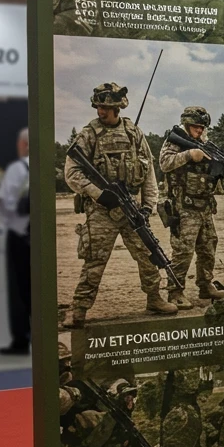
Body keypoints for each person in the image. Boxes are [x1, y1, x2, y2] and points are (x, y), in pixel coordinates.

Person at [63, 83, 177, 328]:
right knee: (95, 260)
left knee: (148, 253)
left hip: (130, 208)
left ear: (117, 108)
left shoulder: (134, 132)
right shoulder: (88, 135)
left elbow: (148, 173)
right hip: (101, 211)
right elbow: (72, 173)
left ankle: (154, 299)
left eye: (105, 107)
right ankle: (79, 310)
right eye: (98, 107)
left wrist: (147, 206)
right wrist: (97, 193)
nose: (100, 111)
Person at [158, 107, 224, 309]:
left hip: (204, 207)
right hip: (184, 206)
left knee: (208, 248)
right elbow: (164, 163)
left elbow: (213, 171)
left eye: (202, 127)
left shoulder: (205, 144)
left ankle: (205, 286)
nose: (199, 130)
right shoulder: (175, 141)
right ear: (187, 125)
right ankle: (175, 292)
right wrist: (189, 154)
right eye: (196, 127)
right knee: (183, 251)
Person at [0, 128, 31, 354]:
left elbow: (3, 204)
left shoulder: (18, 169)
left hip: (19, 234)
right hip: (39, 235)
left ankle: (21, 340)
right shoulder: (43, 167)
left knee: (18, 290)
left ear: (24, 145)